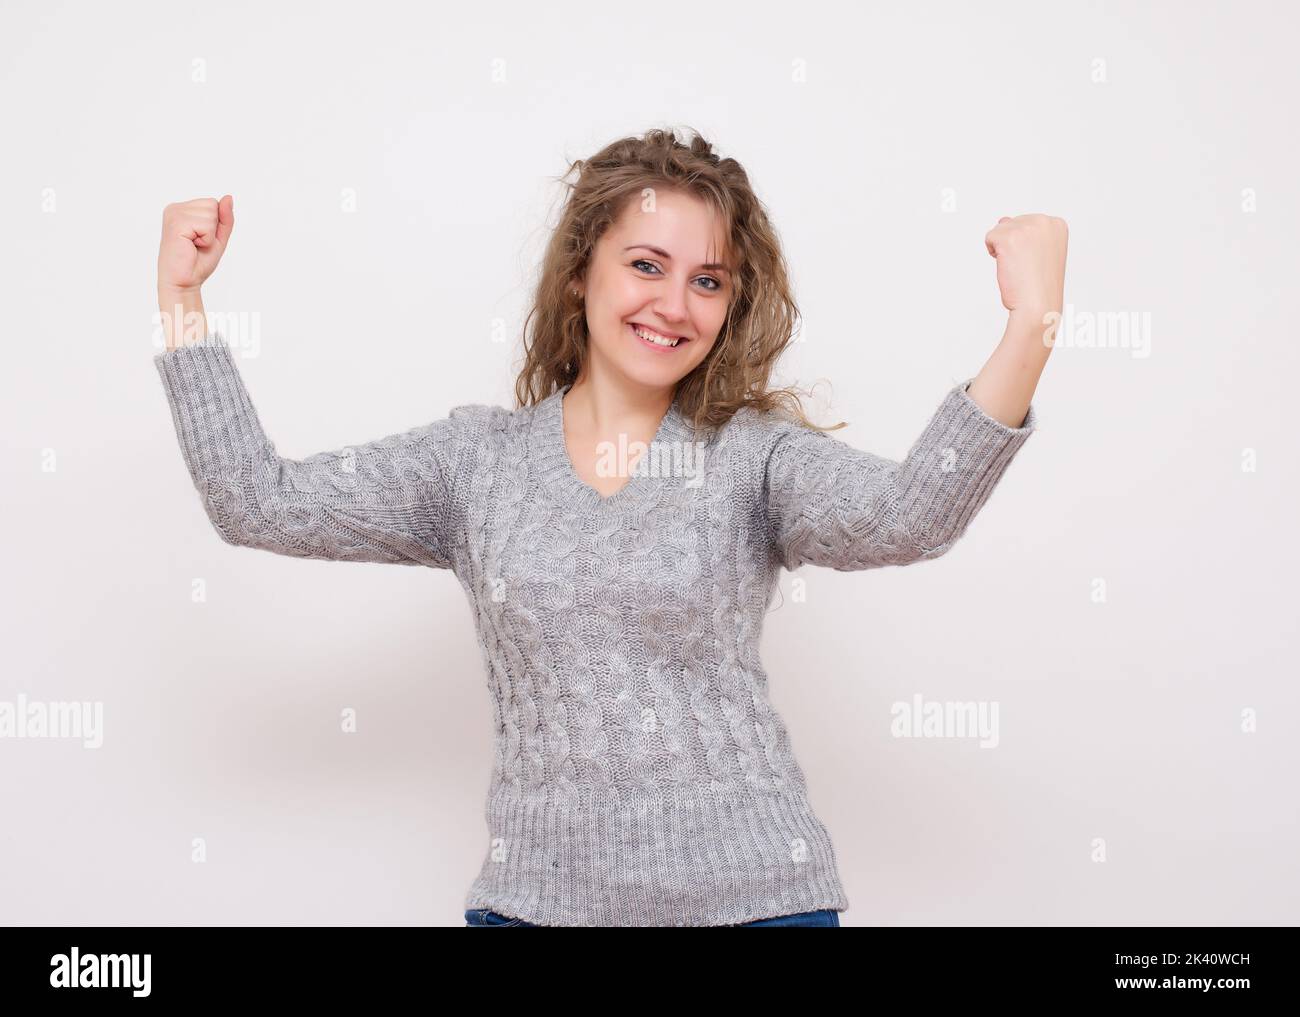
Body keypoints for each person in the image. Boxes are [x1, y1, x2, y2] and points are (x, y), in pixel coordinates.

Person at [153, 126, 1065, 927]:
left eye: (708, 280)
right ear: (583, 265)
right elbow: (256, 499)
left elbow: (913, 515)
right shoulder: (474, 463)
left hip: (757, 901)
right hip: (536, 904)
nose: (674, 304)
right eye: (645, 265)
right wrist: (182, 296)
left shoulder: (753, 458)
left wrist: (1033, 322)